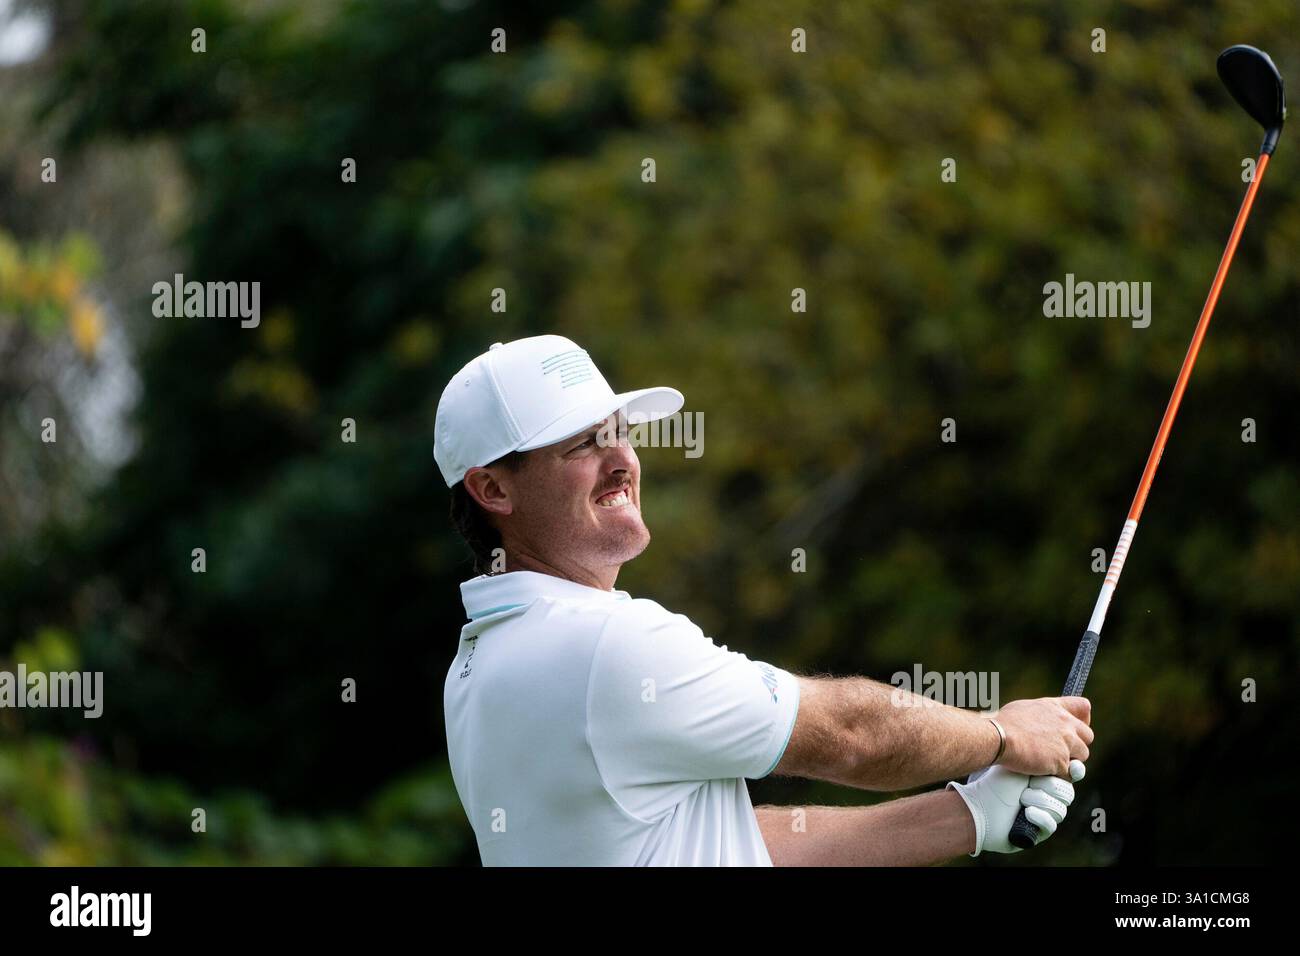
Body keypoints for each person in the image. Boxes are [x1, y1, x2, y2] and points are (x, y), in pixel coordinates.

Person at [435, 334, 1092, 866]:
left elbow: (719, 846)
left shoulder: (478, 668)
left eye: (619, 432)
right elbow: (849, 734)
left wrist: (967, 818)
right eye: (583, 443)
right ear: (493, 490)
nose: (622, 461)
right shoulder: (604, 643)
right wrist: (1003, 735)